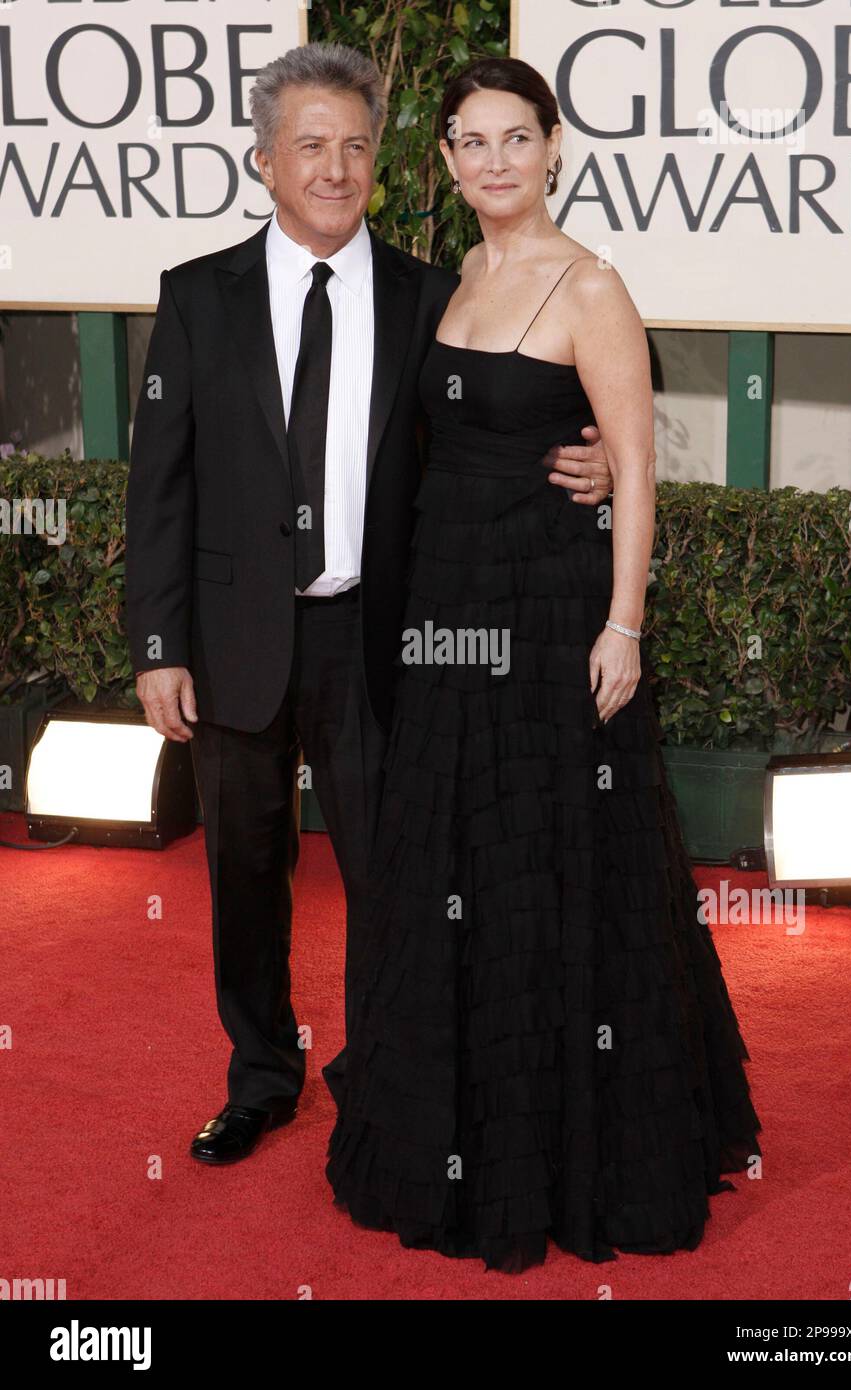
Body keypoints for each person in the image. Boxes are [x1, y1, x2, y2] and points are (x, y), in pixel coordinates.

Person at [124, 43, 613, 1166]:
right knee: (246, 873)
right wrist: (158, 643)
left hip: (381, 637)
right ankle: (260, 1078)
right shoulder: (199, 297)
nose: (335, 168)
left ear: (379, 164)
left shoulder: (431, 295)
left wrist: (596, 462)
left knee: (396, 873)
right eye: (311, 146)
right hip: (236, 635)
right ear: (264, 161)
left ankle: (384, 1074)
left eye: (355, 146)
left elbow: (512, 419)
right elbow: (161, 485)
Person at [324, 57, 762, 1272]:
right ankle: (451, 1120)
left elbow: (634, 464)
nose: (493, 161)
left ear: (555, 145)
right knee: (449, 853)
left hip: (552, 604)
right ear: (450, 161)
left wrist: (622, 623)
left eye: (515, 138)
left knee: (558, 854)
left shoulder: (592, 285)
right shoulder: (452, 276)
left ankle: (577, 1143)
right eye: (470, 142)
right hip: (448, 607)